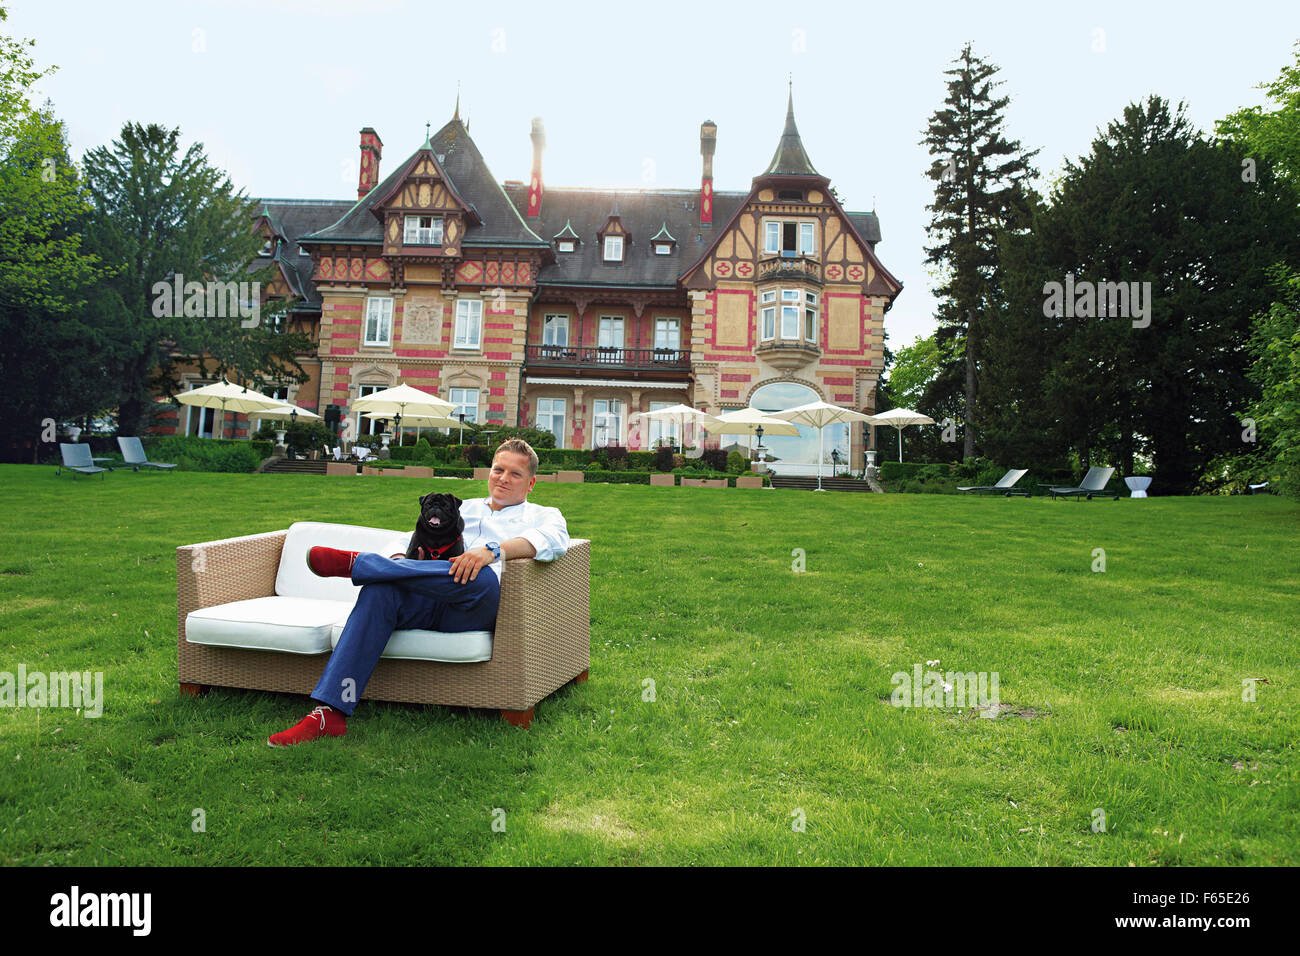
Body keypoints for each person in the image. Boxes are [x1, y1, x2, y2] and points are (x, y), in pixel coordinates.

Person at [268, 438, 569, 746]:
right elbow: (404, 542)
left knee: (480, 575)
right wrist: (401, 561)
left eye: (514, 474)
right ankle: (330, 713)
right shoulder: (462, 508)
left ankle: (360, 564)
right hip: (428, 599)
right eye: (498, 470)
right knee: (379, 590)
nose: (503, 478)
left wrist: (491, 552)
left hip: (475, 607)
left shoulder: (542, 515)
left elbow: (554, 540)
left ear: (530, 483)